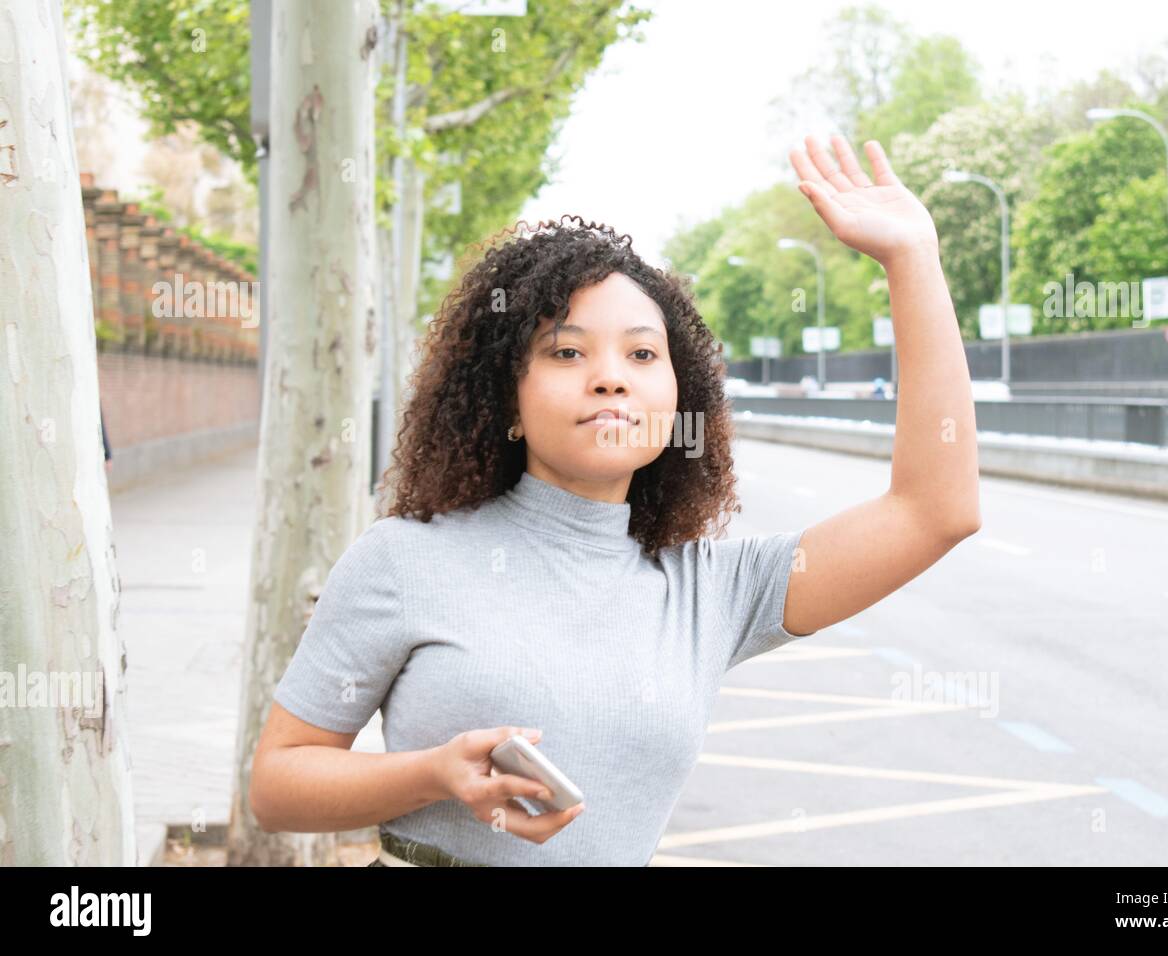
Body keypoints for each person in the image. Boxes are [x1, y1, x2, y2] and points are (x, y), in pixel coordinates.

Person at [248, 135, 981, 867]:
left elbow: (933, 512)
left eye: (641, 353)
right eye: (567, 351)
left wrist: (912, 258)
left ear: (678, 396)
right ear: (506, 396)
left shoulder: (711, 590)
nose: (611, 377)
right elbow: (278, 788)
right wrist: (433, 775)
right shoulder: (404, 560)